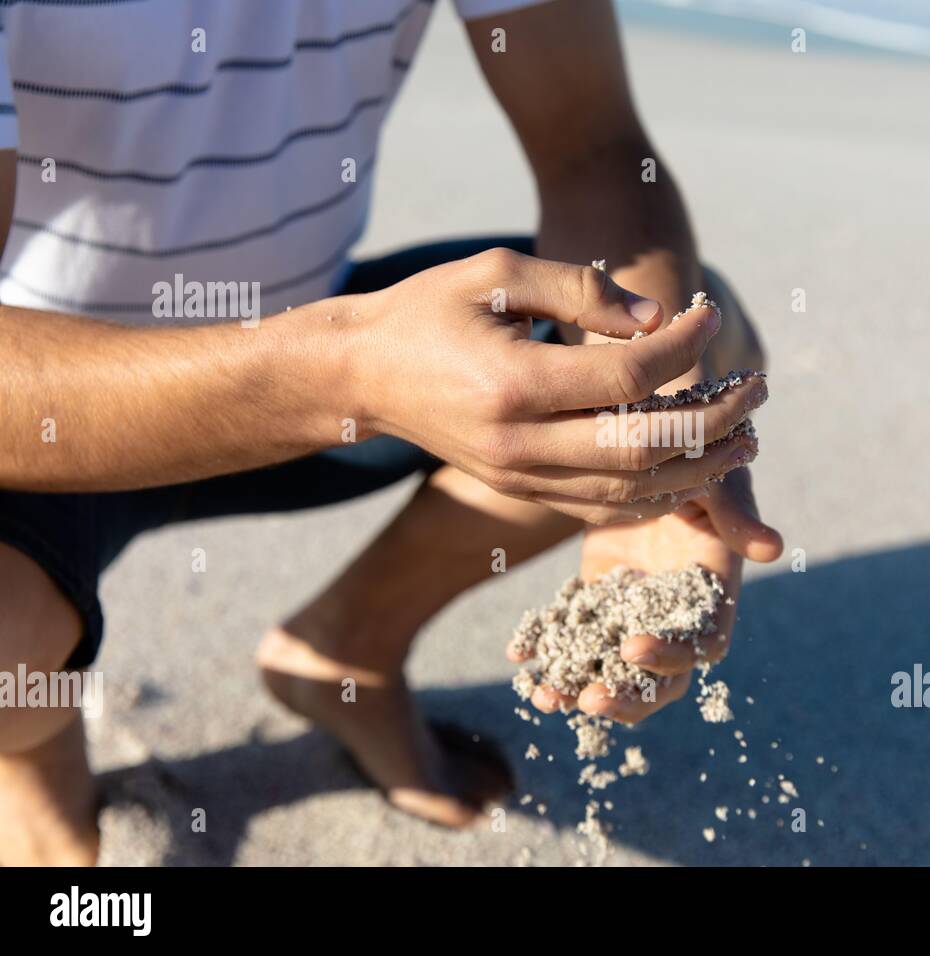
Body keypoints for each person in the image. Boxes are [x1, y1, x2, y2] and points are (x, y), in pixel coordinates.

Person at [0, 0, 782, 865]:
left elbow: (592, 149)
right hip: (49, 412)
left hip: (327, 363)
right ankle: (32, 750)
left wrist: (656, 424)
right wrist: (345, 371)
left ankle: (350, 645)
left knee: (705, 345)